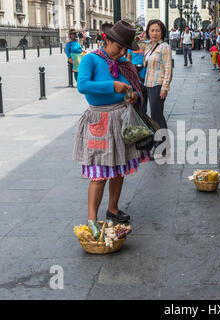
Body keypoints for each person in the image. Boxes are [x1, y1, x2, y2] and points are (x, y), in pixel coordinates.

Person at [73, 20, 149, 238]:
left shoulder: (123, 63)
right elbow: (83, 85)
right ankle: (91, 220)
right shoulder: (90, 60)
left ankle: (113, 209)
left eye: (126, 49)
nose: (123, 52)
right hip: (99, 121)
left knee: (119, 167)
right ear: (107, 41)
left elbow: (133, 86)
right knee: (99, 173)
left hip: (121, 120)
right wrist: (112, 86)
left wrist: (133, 94)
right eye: (120, 47)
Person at [143, 19, 173, 158]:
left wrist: (165, 88)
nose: (155, 33)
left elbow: (168, 68)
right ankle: (160, 144)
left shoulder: (164, 47)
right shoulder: (149, 45)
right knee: (154, 115)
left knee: (157, 116)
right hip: (148, 83)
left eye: (158, 30)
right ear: (148, 31)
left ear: (162, 32)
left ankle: (163, 148)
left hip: (158, 84)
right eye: (152, 30)